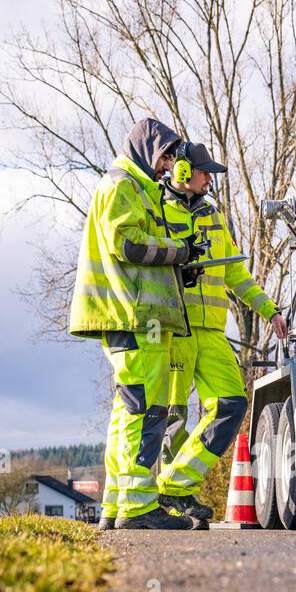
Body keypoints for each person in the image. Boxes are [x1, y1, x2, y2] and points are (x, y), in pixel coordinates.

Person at [69, 118, 197, 530]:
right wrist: (179, 251)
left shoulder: (133, 186)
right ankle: (139, 509)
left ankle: (116, 505)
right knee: (144, 412)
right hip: (133, 318)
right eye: (164, 157)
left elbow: (142, 256)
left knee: (130, 411)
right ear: (147, 150)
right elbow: (128, 244)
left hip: (136, 318)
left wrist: (180, 266)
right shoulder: (123, 186)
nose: (166, 167)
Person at [154, 141, 288, 521]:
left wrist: (269, 309)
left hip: (211, 332)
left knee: (231, 404)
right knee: (173, 416)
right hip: (173, 327)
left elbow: (234, 273)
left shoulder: (213, 216)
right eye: (204, 172)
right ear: (183, 172)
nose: (210, 179)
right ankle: (169, 498)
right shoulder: (157, 209)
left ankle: (176, 485)